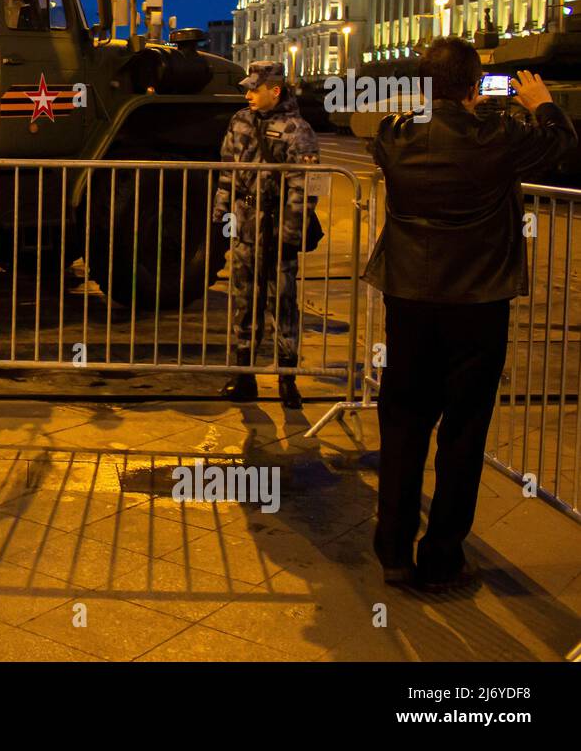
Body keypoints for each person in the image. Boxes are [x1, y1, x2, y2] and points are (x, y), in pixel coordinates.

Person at [364, 38, 576, 590]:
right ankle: (442, 556)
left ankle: (393, 549)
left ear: (424, 84)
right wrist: (542, 104)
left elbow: (385, 139)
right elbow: (564, 146)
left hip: (408, 299)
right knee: (463, 431)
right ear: (475, 85)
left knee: (404, 422)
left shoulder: (395, 135)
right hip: (478, 304)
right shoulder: (500, 138)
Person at [211, 60, 321, 408]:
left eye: (254, 89)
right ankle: (243, 376)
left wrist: (290, 234)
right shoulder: (240, 121)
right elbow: (228, 172)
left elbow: (303, 188)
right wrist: (221, 217)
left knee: (283, 305)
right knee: (245, 303)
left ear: (274, 90)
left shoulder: (297, 129)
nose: (247, 95)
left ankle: (287, 381)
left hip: (276, 227)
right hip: (246, 225)